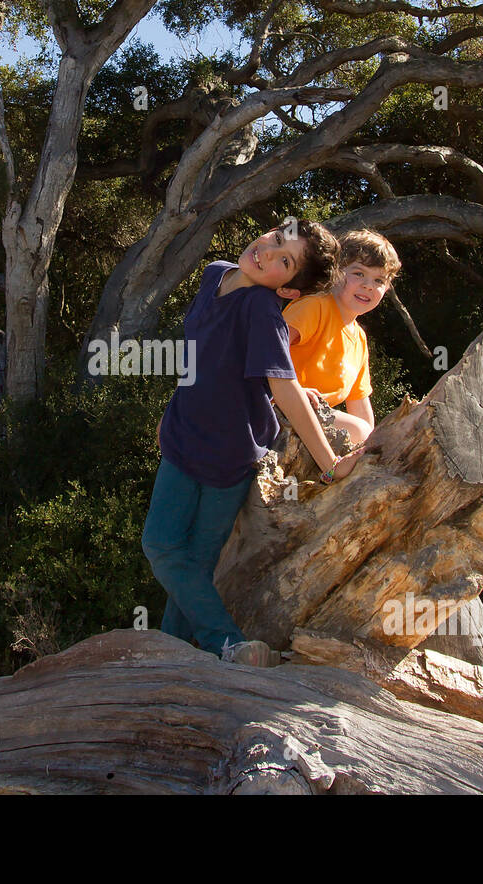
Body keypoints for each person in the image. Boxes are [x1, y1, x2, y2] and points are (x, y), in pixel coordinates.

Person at [142, 221, 363, 668]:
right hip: (184, 442)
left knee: (192, 563)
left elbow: (285, 389)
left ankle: (179, 660)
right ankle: (217, 646)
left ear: (290, 291)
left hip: (231, 459)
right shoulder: (214, 274)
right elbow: (197, 351)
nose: (268, 252)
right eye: (277, 238)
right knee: (163, 548)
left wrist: (330, 464)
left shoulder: (262, 311)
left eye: (285, 261)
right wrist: (175, 404)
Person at [282, 228, 401, 450]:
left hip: (310, 423)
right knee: (359, 431)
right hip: (274, 407)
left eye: (379, 280)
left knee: (368, 434)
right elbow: (264, 349)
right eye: (358, 273)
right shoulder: (314, 307)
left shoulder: (359, 340)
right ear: (336, 271)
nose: (368, 285)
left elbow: (361, 408)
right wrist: (294, 389)